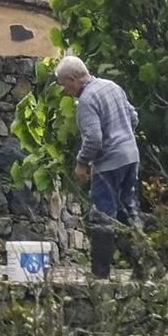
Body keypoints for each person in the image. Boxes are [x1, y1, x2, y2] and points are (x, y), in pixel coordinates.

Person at [54, 55, 142, 280]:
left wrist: (82, 163)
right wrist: (122, 137)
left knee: (103, 215)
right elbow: (133, 117)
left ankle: (100, 274)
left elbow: (94, 139)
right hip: (131, 156)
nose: (65, 90)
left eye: (64, 85)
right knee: (128, 210)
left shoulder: (86, 100)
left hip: (109, 163)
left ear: (73, 79)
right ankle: (142, 268)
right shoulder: (111, 86)